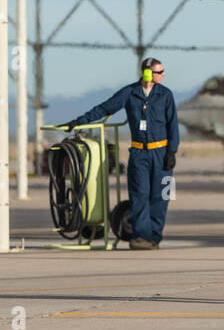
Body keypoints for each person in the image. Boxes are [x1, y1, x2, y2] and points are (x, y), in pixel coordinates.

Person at [63, 57, 179, 250]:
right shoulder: (130, 93)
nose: (163, 75)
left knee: (162, 196)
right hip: (139, 154)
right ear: (147, 73)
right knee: (139, 195)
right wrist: (79, 121)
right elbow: (105, 107)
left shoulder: (166, 95)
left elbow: (172, 124)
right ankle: (141, 237)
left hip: (161, 153)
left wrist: (172, 151)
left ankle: (154, 237)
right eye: (159, 72)